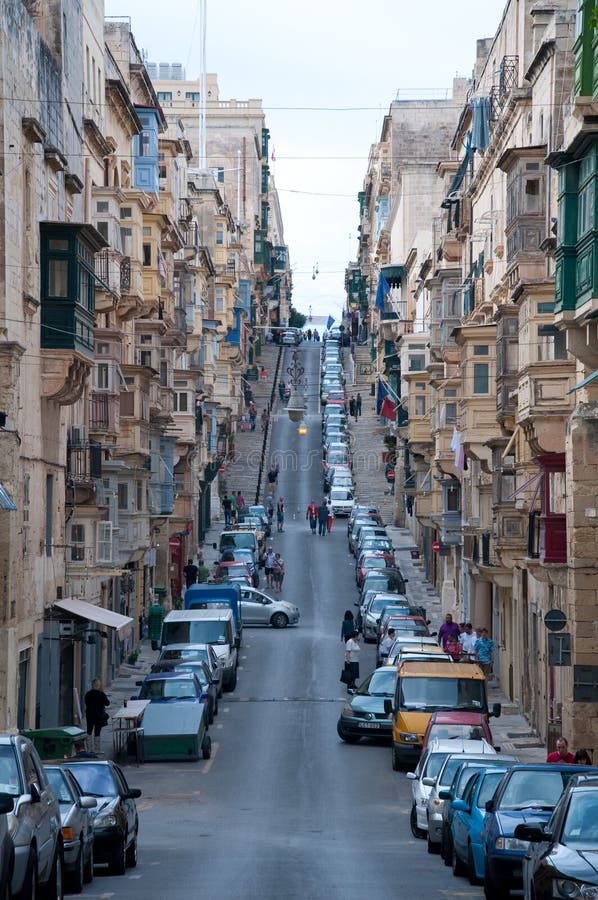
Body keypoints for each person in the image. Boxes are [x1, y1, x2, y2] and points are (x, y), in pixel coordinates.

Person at [85, 678, 110, 752]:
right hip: (99, 716)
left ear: (92, 685)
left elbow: (86, 703)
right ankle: (97, 750)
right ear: (98, 685)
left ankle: (89, 750)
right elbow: (107, 703)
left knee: (89, 731)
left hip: (89, 715)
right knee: (97, 732)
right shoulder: (101, 694)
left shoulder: (88, 694)